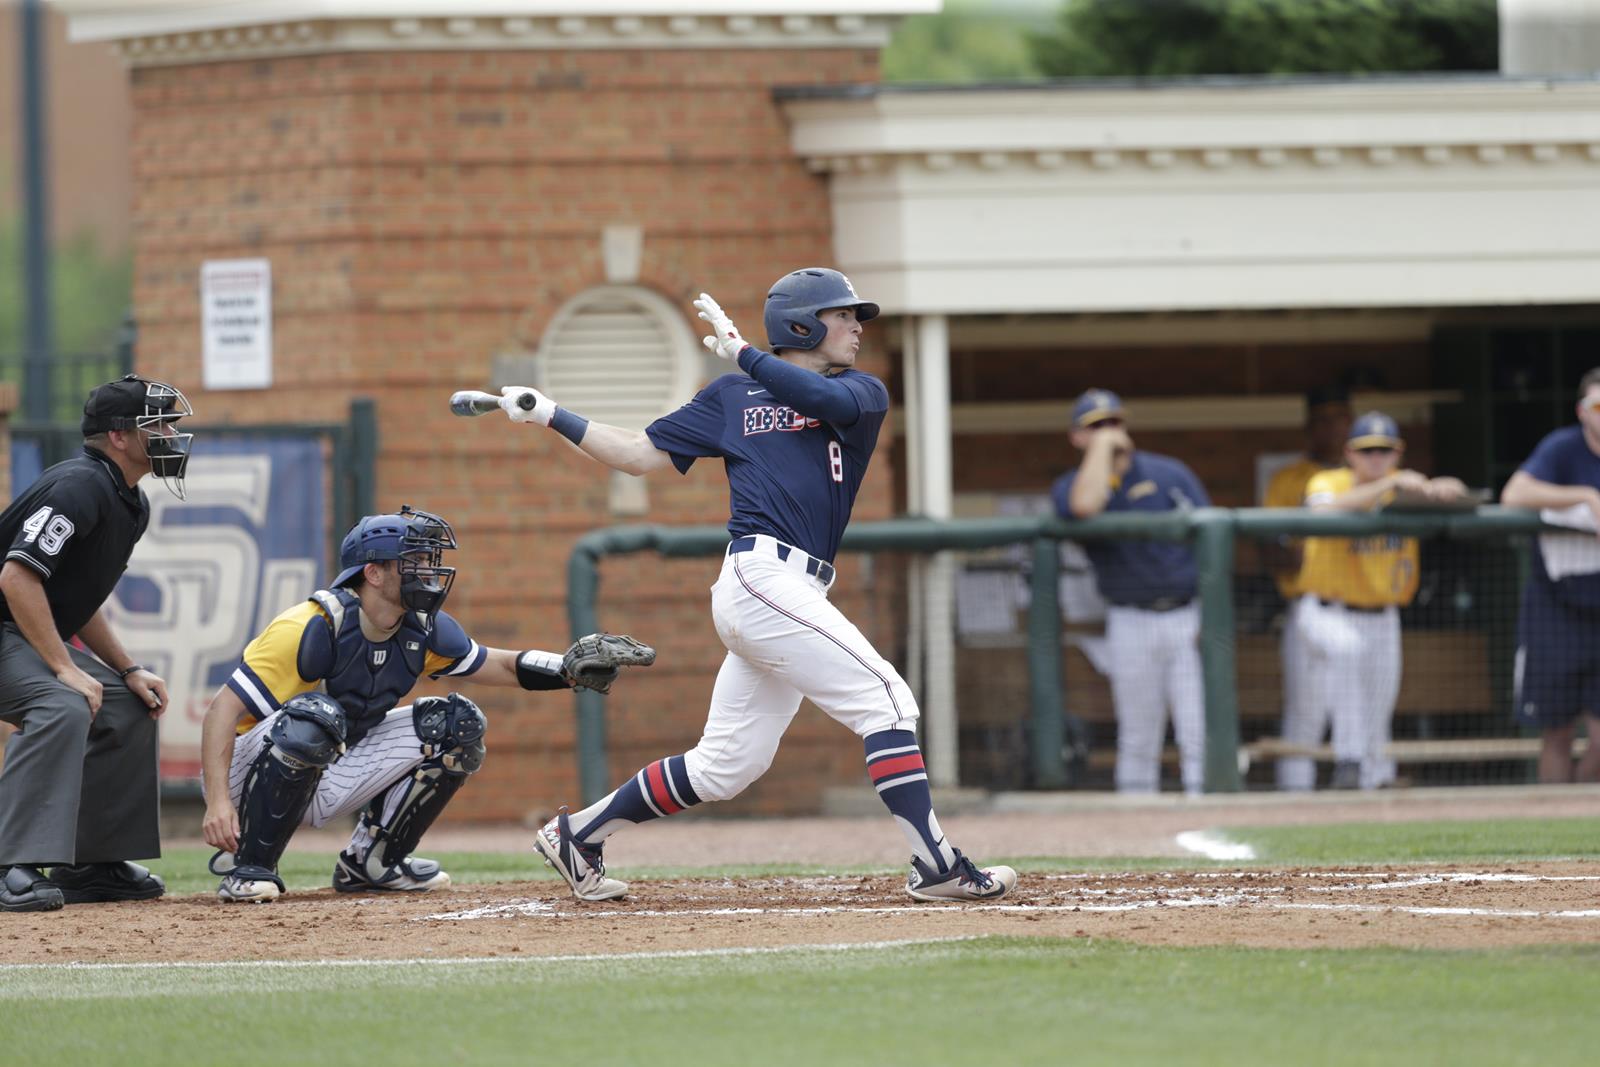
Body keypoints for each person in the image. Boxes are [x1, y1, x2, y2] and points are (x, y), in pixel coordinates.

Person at [495, 268, 1016, 903]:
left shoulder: (863, 391)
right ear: (801, 324)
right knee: (887, 700)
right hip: (760, 578)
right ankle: (937, 866)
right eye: (842, 314)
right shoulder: (731, 397)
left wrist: (742, 351)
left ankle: (578, 835)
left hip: (794, 590)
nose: (857, 326)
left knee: (728, 765)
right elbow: (637, 453)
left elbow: (818, 402)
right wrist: (550, 414)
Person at [199, 506, 654, 902]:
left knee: (457, 723)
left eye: (426, 559)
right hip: (248, 772)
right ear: (373, 572)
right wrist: (219, 802)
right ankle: (250, 869)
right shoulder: (311, 625)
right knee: (318, 717)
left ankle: (372, 863)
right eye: (412, 560)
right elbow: (222, 710)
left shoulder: (421, 628)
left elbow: (501, 666)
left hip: (334, 761)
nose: (427, 570)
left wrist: (568, 668)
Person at [0, 374, 195, 912]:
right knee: (61, 703)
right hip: (5, 625)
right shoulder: (80, 486)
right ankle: (9, 862)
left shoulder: (129, 500)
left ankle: (95, 863)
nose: (173, 433)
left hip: (17, 630)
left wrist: (128, 668)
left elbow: (76, 601)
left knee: (131, 704)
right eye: (157, 424)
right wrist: (64, 668)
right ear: (118, 436)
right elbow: (18, 577)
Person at [1050, 389, 1209, 795]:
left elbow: (1211, 543)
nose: (1109, 432)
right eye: (1096, 427)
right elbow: (1085, 505)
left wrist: (1208, 616)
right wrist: (1102, 451)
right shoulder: (1071, 484)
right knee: (1139, 733)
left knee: (1197, 728)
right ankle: (1138, 830)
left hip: (1185, 615)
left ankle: (1212, 811)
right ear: (1077, 437)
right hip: (1129, 617)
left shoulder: (1169, 472)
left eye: (1113, 423)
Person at [1296, 412, 1467, 790]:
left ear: (1398, 453)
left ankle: (1371, 784)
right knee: (1346, 652)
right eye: (1367, 450)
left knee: (1378, 707)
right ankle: (1349, 761)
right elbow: (1321, 510)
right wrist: (1390, 483)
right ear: (1350, 454)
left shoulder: (1405, 487)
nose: (1376, 458)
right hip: (1326, 610)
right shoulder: (1328, 480)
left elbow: (1458, 497)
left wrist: (1445, 487)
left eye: (1384, 451)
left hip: (1384, 615)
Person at [1501, 368, 1600, 784]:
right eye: (1598, 406)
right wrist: (1586, 496)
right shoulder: (1562, 448)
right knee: (1556, 732)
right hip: (1555, 611)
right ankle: (1553, 830)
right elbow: (1513, 495)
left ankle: (1584, 821)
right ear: (1583, 411)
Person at [1264, 385, 1354, 791]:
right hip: (1309, 604)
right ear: (1310, 427)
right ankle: (1295, 804)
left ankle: (1373, 809)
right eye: (1325, 420)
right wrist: (1321, 555)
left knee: (1361, 713)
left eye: (1341, 419)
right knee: (1305, 715)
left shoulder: (1366, 478)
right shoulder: (1289, 479)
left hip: (1362, 605)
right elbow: (1269, 548)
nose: (1334, 429)